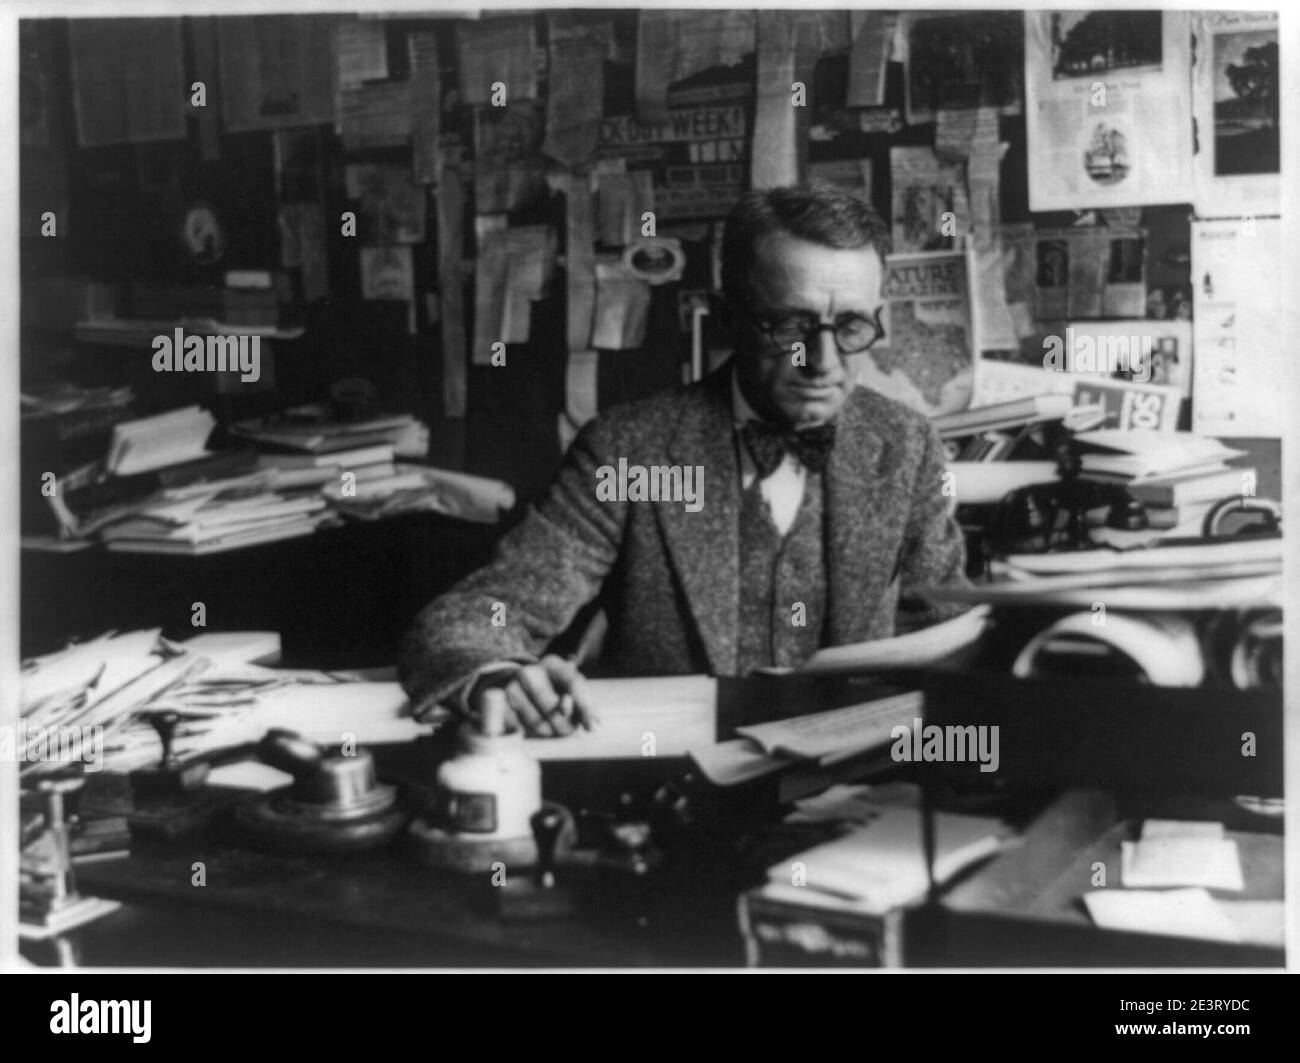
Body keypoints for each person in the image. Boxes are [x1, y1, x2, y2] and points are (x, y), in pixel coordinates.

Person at [400, 183, 970, 735]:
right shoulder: (630, 451)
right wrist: (497, 678)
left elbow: (948, 640)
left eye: (850, 326)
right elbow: (475, 618)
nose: (821, 360)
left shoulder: (908, 447)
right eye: (791, 325)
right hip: (675, 785)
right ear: (727, 320)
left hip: (859, 781)